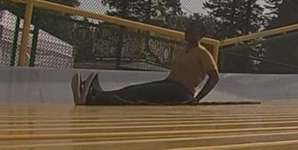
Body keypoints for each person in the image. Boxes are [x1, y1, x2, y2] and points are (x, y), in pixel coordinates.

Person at [71, 21, 220, 105]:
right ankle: (99, 95)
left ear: (201, 35)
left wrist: (197, 99)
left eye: (192, 30)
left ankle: (97, 98)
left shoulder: (203, 53)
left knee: (138, 93)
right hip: (169, 84)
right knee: (135, 88)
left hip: (182, 91)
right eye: (187, 29)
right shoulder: (181, 51)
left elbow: (214, 77)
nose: (187, 32)